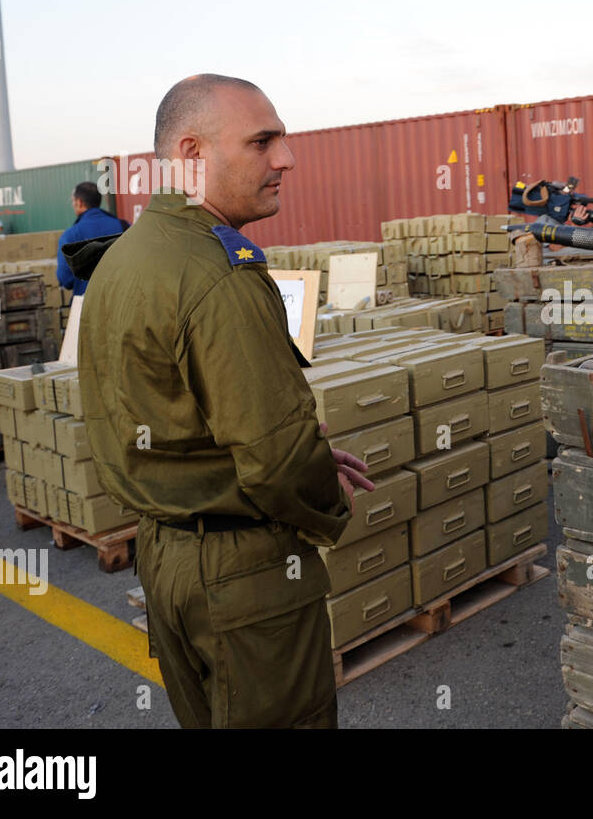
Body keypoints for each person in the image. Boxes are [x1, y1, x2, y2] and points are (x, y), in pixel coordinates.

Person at [75, 74, 375, 728]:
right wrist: (323, 496)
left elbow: (149, 414)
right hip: (242, 574)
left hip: (165, 555)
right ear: (191, 154)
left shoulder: (124, 261)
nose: (286, 158)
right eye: (262, 141)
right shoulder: (221, 274)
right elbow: (278, 456)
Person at [56, 182, 129, 296]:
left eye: (73, 201)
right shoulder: (125, 227)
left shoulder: (69, 236)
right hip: (123, 302)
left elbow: (66, 280)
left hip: (86, 306)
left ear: (79, 202)